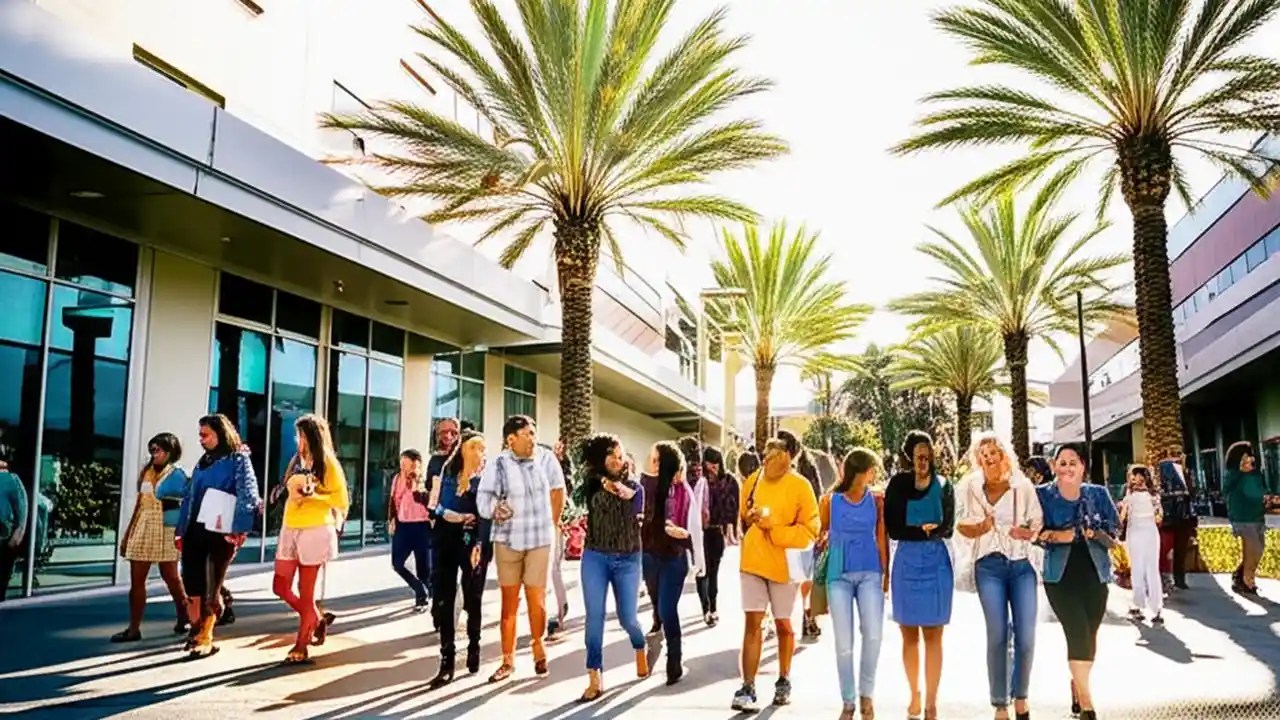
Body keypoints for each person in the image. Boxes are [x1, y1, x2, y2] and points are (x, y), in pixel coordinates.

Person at [955, 432, 1041, 720]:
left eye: (994, 452)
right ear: (978, 460)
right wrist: (981, 527)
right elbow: (961, 527)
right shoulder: (971, 487)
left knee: (1026, 637)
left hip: (1021, 565)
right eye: (984, 454)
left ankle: (1022, 696)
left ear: (1004, 454)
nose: (990, 458)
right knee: (998, 634)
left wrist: (1026, 532)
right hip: (988, 566)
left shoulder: (1022, 486)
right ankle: (1000, 704)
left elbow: (1037, 525)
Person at [731, 438, 820, 712]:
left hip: (784, 566)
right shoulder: (754, 480)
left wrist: (775, 529)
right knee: (752, 623)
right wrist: (753, 518)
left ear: (789, 455)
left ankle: (784, 679)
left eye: (776, 453)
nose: (769, 458)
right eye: (767, 453)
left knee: (783, 625)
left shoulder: (801, 486)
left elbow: (811, 529)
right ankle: (748, 686)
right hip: (754, 562)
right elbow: (744, 514)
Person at [477, 415, 566, 682]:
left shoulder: (547, 459)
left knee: (537, 599)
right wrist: (495, 509)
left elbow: (558, 491)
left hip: (539, 540)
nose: (532, 437)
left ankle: (538, 647)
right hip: (507, 541)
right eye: (527, 433)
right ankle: (507, 661)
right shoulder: (498, 464)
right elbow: (484, 498)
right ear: (511, 439)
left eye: (534, 432)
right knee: (509, 603)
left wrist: (550, 523)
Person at [1036, 442, 1119, 720]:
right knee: (1077, 631)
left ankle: (1077, 682)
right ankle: (1087, 703)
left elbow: (1114, 530)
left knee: (1090, 636)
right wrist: (1062, 536)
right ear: (1054, 466)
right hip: (1059, 578)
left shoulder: (1098, 494)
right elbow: (1035, 531)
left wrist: (1093, 533)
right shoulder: (1043, 496)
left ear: (1083, 466)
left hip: (1095, 574)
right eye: (1062, 462)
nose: (1068, 467)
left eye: (1074, 461)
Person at [175, 414, 261, 659]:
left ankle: (206, 635)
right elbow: (190, 496)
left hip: (221, 529)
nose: (201, 439)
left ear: (220, 433)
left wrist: (239, 529)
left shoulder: (238, 459)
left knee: (212, 587)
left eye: (205, 435)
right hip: (195, 528)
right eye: (200, 434)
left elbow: (249, 494)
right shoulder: (204, 460)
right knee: (191, 581)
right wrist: (181, 530)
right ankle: (196, 629)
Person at [884, 430, 955, 720]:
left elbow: (948, 525)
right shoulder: (898, 484)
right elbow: (893, 526)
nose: (923, 461)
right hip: (907, 560)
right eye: (918, 456)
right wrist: (918, 530)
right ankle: (914, 693)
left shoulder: (944, 484)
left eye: (927, 456)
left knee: (935, 636)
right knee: (909, 635)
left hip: (936, 560)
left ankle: (932, 704)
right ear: (909, 457)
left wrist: (932, 531)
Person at [577, 433, 648, 701]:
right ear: (600, 458)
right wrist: (600, 480)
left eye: (620, 455)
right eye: (611, 455)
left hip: (628, 559)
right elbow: (576, 493)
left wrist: (622, 491)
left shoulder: (635, 486)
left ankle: (640, 646)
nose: (618, 461)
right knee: (594, 616)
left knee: (627, 618)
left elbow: (638, 502)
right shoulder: (591, 484)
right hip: (595, 556)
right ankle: (595, 675)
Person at [273, 414, 349, 664]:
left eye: (303, 435)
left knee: (306, 591)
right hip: (290, 526)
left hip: (315, 529)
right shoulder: (296, 460)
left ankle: (301, 644)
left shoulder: (327, 462)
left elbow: (340, 501)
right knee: (280, 585)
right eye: (298, 435)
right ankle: (315, 618)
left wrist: (312, 496)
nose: (299, 440)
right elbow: (289, 489)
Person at [820, 448, 889, 720]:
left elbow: (881, 537)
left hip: (870, 572)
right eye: (872, 469)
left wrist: (885, 576)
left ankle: (866, 695)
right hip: (838, 575)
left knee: (873, 635)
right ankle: (848, 701)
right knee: (844, 642)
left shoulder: (877, 500)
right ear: (859, 471)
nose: (874, 474)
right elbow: (820, 532)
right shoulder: (830, 500)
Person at [428, 430, 491, 687]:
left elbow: (486, 515)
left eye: (482, 448)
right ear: (462, 449)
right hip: (444, 537)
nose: (478, 453)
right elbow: (433, 505)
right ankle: (447, 659)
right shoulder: (444, 472)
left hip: (472, 542)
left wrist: (480, 543)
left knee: (473, 596)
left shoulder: (486, 479)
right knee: (444, 599)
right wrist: (449, 514)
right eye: (473, 447)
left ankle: (474, 645)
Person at [112, 433, 190, 642]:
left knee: (171, 577)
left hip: (165, 529)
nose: (153, 454)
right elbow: (140, 502)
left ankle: (184, 617)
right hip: (144, 525)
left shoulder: (177, 474)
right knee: (137, 579)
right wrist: (128, 534)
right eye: (152, 450)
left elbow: (181, 502)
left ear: (169, 452)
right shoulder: (146, 472)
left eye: (158, 450)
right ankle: (133, 628)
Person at [640, 441, 704, 686]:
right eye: (652, 459)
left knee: (668, 609)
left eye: (658, 460)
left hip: (674, 558)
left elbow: (694, 528)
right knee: (658, 608)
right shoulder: (644, 485)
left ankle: (674, 660)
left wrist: (683, 534)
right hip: (650, 556)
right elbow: (640, 518)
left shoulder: (681, 490)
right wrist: (659, 525)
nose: (654, 464)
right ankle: (657, 633)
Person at [778, 429, 824, 641]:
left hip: (795, 532)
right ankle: (805, 616)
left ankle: (801, 616)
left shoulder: (803, 469)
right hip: (795, 532)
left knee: (798, 578)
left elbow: (817, 498)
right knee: (803, 577)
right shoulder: (805, 467)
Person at [697, 446, 739, 627]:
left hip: (717, 530)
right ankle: (705, 608)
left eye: (716, 463)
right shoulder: (699, 479)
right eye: (709, 463)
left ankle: (712, 607)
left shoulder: (729, 480)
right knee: (701, 570)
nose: (713, 467)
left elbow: (734, 507)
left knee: (713, 570)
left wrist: (732, 530)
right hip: (699, 530)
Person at [388, 449, 432, 613]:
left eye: (408, 464)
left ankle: (423, 598)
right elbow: (393, 500)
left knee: (424, 568)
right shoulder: (397, 479)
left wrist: (417, 487)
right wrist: (391, 519)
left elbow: (428, 501)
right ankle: (420, 589)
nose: (404, 467)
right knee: (397, 563)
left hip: (421, 526)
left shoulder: (424, 481)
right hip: (403, 526)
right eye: (403, 463)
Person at [1120, 464, 1163, 623]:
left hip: (1136, 532)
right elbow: (1160, 517)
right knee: (1152, 569)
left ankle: (1138, 605)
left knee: (1137, 568)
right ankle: (1156, 608)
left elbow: (1122, 517)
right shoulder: (1154, 496)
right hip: (1151, 532)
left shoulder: (1130, 496)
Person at [1224, 441, 1267, 596]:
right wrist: (1241, 472)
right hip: (1242, 518)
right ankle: (1249, 582)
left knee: (1259, 550)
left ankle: (1240, 576)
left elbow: (1261, 490)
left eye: (1249, 456)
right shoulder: (1232, 474)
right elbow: (1227, 489)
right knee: (1251, 550)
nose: (1248, 459)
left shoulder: (1255, 474)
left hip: (1257, 516)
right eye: (1245, 456)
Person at [537, 441, 570, 642]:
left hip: (553, 526)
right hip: (536, 528)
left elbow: (563, 496)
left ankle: (555, 616)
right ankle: (557, 610)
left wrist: (556, 521)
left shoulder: (561, 474)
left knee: (552, 571)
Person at [1157, 456, 1195, 591]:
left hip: (1183, 519)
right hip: (1168, 521)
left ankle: (1179, 578)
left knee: (1180, 551)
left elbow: (1191, 495)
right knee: (1166, 551)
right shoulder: (1160, 483)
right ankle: (1166, 578)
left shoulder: (1185, 479)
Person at [0, 463, 26, 602]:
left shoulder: (11, 479)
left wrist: (19, 530)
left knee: (3, 568)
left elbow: (21, 507)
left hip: (4, 530)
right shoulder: (12, 480)